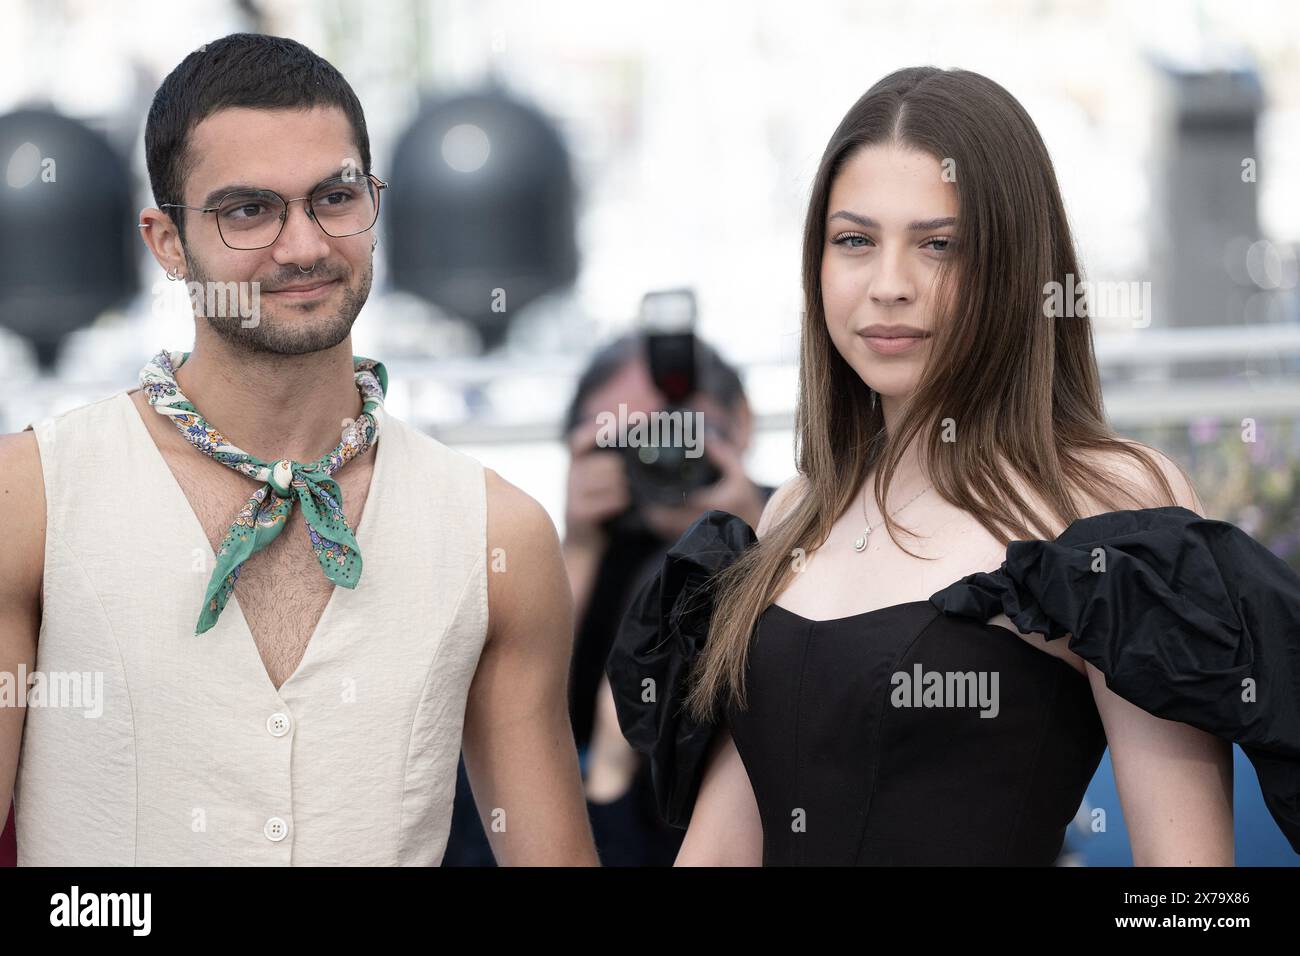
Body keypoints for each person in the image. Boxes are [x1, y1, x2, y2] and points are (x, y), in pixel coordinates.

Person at [606, 66, 1300, 866]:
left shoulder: (1108, 503)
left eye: (939, 245)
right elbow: (723, 849)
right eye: (854, 241)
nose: (889, 286)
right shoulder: (795, 510)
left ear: (1014, 269)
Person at [0, 33, 598, 866]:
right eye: (249, 210)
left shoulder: (498, 533)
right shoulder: (30, 501)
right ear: (167, 242)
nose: (305, 246)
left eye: (334, 198)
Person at [442, 332, 773, 865]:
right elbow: (501, 718)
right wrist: (577, 547)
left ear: (742, 421)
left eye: (682, 435)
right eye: (631, 440)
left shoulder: (803, 526)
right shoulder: (560, 551)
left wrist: (757, 538)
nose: (660, 457)